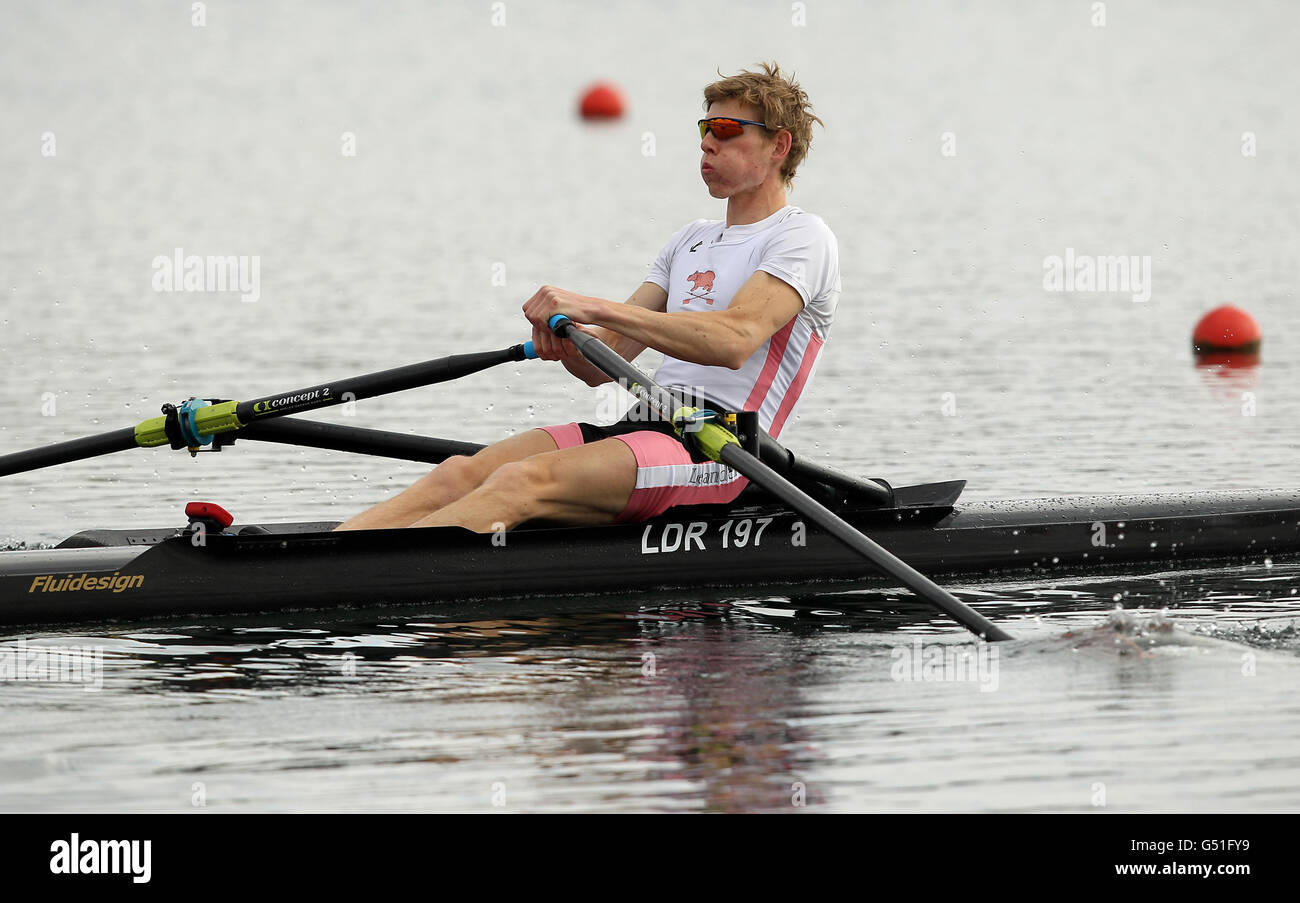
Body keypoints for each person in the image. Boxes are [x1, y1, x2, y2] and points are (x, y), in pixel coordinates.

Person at [336, 62, 839, 533]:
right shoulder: (690, 239)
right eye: (703, 129)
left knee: (519, 482)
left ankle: (381, 582)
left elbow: (733, 342)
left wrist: (591, 307)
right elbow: (608, 363)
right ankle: (325, 562)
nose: (708, 143)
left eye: (727, 130)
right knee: (459, 475)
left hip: (724, 451)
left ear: (779, 147)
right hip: (646, 427)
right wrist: (571, 343)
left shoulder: (801, 237)